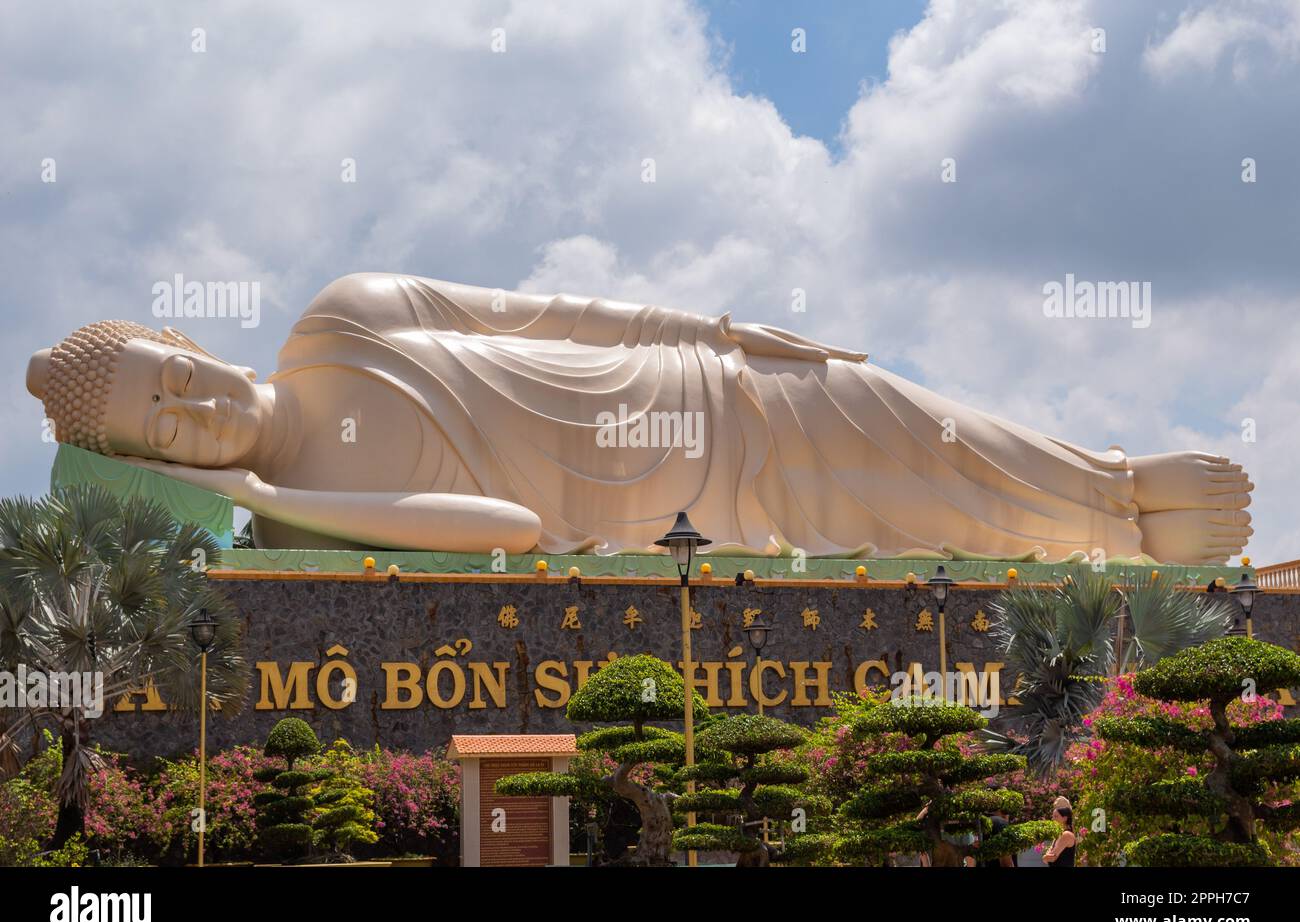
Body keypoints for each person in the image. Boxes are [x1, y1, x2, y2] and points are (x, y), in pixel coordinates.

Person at [26, 273, 1253, 559]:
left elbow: (554, 318)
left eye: (174, 374)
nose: (199, 406)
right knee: (966, 524)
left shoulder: (344, 318)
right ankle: (1131, 540)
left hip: (712, 392)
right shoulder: (307, 524)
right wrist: (270, 495)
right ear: (158, 464)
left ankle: (1115, 473)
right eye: (170, 429)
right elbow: (503, 519)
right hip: (712, 505)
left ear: (184, 337)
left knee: (948, 436)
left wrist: (714, 332)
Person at [1043, 797, 1077, 867]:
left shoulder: (1066, 834)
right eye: (1053, 817)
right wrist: (1046, 857)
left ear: (1065, 818)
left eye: (1056, 817)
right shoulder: (1059, 834)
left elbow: (1052, 858)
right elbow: (1047, 859)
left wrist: (1045, 857)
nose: (1053, 819)